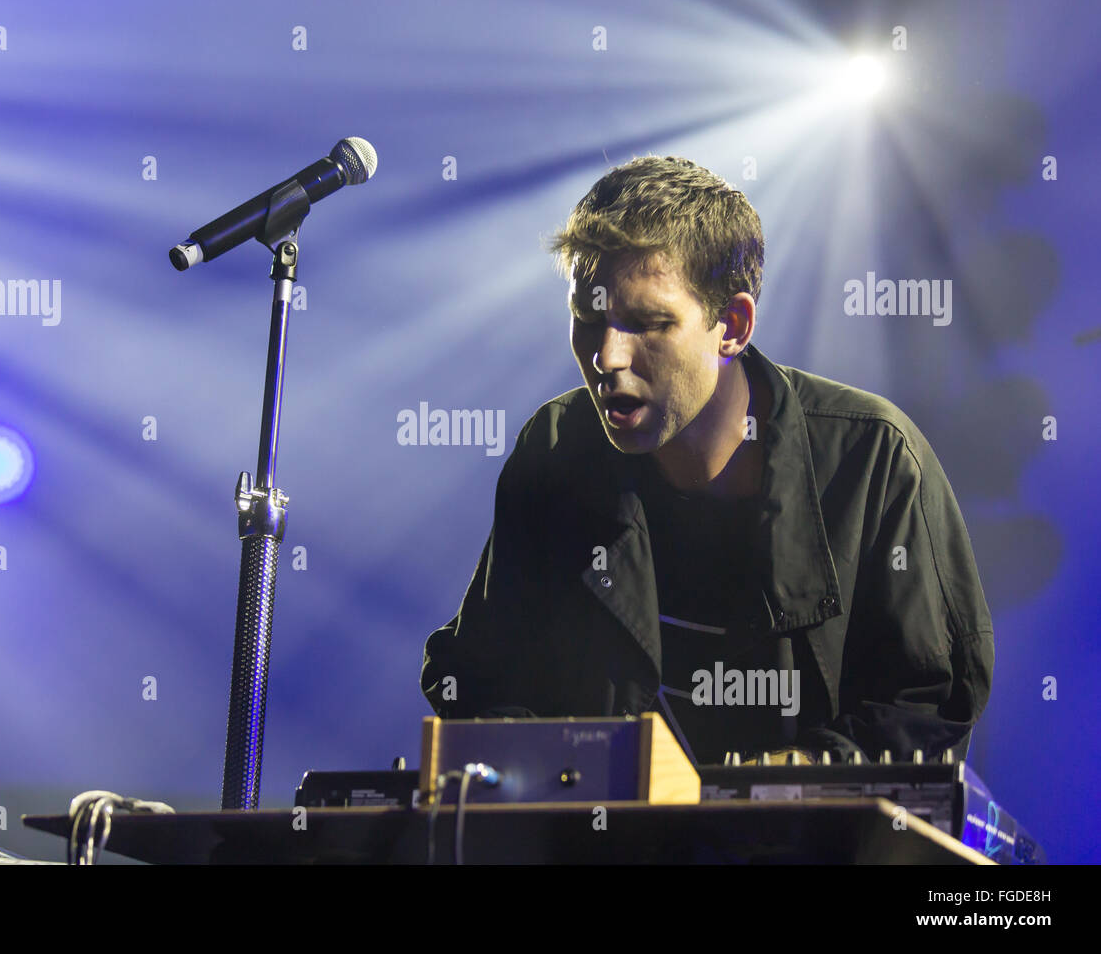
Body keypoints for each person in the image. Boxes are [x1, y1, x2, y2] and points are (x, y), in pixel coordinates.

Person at [419, 155, 995, 765]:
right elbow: (481, 676)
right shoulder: (556, 449)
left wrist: (790, 779)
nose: (607, 356)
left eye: (647, 323)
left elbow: (928, 701)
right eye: (588, 318)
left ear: (733, 326)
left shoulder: (875, 457)